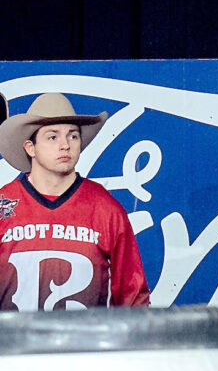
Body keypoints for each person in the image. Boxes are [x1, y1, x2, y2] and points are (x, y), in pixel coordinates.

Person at [0, 93, 150, 310]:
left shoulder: (105, 209)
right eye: (52, 137)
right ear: (30, 147)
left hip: (87, 343)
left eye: (73, 136)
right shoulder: (4, 204)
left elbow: (133, 299)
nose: (65, 145)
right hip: (13, 343)